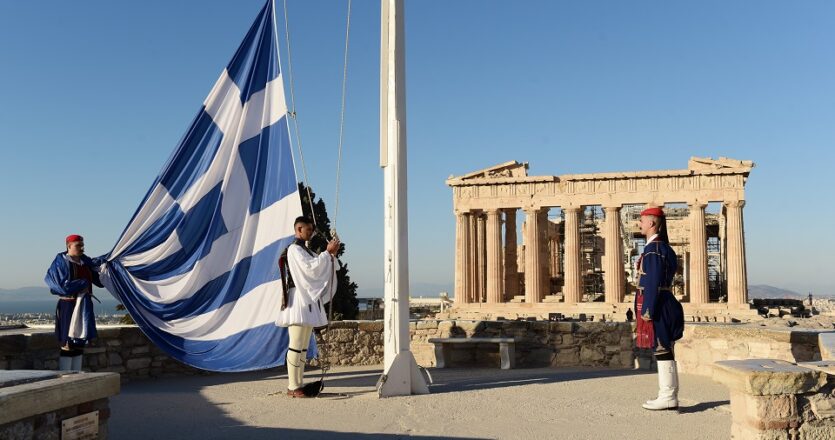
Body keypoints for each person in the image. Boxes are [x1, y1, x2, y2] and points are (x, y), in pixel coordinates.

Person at [276, 216, 340, 398]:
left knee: (303, 345)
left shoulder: (306, 250)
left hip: (306, 300)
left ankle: (297, 384)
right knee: (296, 344)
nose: (311, 232)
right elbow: (310, 268)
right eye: (308, 230)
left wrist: (331, 254)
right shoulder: (295, 250)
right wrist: (327, 254)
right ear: (298, 230)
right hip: (298, 299)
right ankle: (292, 386)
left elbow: (319, 265)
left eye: (312, 229)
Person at [634, 207, 684, 410]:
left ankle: (668, 396)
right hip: (664, 301)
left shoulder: (653, 250)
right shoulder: (663, 248)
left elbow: (653, 281)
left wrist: (647, 310)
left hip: (658, 304)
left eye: (642, 221)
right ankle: (667, 395)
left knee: (662, 349)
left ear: (652, 223)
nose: (639, 224)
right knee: (664, 349)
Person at [44, 234, 103, 371]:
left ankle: (77, 374)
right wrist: (82, 283)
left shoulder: (86, 263)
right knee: (67, 342)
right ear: (69, 246)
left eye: (82, 245)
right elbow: (60, 286)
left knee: (79, 342)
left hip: (84, 305)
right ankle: (66, 376)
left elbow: (99, 281)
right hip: (68, 305)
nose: (82, 248)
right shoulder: (61, 263)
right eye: (78, 245)